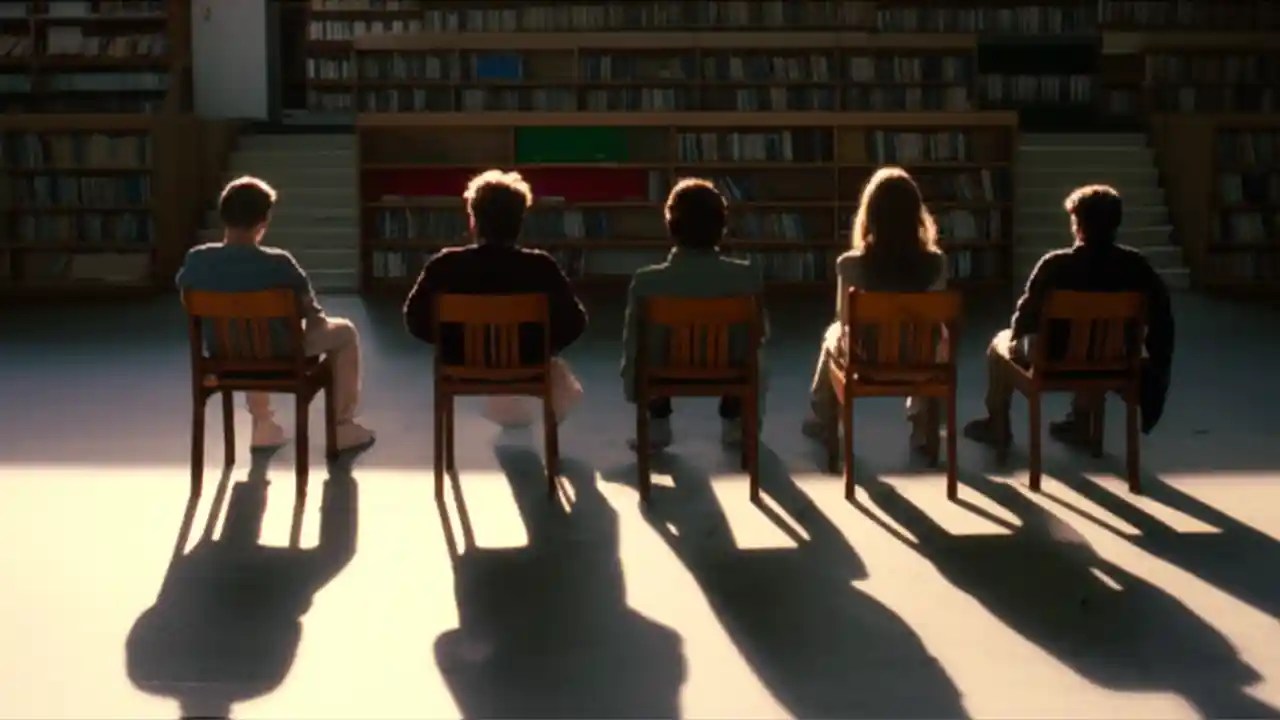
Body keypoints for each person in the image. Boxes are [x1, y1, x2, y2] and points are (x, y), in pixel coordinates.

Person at [963, 184, 1175, 446]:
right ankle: (1081, 422)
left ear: (1077, 223)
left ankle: (997, 423)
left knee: (999, 345)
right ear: (1116, 223)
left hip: (1053, 359)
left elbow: (1024, 318)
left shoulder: (1055, 264)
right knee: (1095, 346)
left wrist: (1020, 336)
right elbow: (1162, 318)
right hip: (1116, 361)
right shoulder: (1137, 266)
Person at [176, 176, 375, 452]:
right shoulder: (279, 264)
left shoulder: (197, 260)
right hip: (281, 354)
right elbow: (314, 316)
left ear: (224, 216)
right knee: (344, 332)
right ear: (264, 221)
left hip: (224, 353)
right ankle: (341, 427)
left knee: (244, 332)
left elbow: (188, 300)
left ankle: (262, 424)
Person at [402, 169, 588, 423]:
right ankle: (527, 416)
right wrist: (543, 347)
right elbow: (575, 322)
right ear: (520, 221)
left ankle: (505, 409)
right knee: (559, 375)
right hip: (528, 363)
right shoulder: (541, 267)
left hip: (460, 364)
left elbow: (414, 318)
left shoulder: (444, 265)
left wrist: (449, 343)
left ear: (473, 220)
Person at [802, 166, 948, 451]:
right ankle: (922, 424)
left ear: (870, 215)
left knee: (833, 333)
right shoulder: (937, 263)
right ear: (916, 216)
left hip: (866, 358)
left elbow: (845, 320)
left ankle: (823, 416)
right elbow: (936, 316)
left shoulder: (849, 264)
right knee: (935, 342)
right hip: (920, 360)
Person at [621, 177, 768, 450]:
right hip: (731, 371)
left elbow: (633, 343)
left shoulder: (646, 281)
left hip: (662, 372)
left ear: (671, 226)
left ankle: (657, 424)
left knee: (649, 345)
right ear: (721, 227)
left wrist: (633, 389)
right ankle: (737, 422)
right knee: (753, 350)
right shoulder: (746, 275)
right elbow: (759, 333)